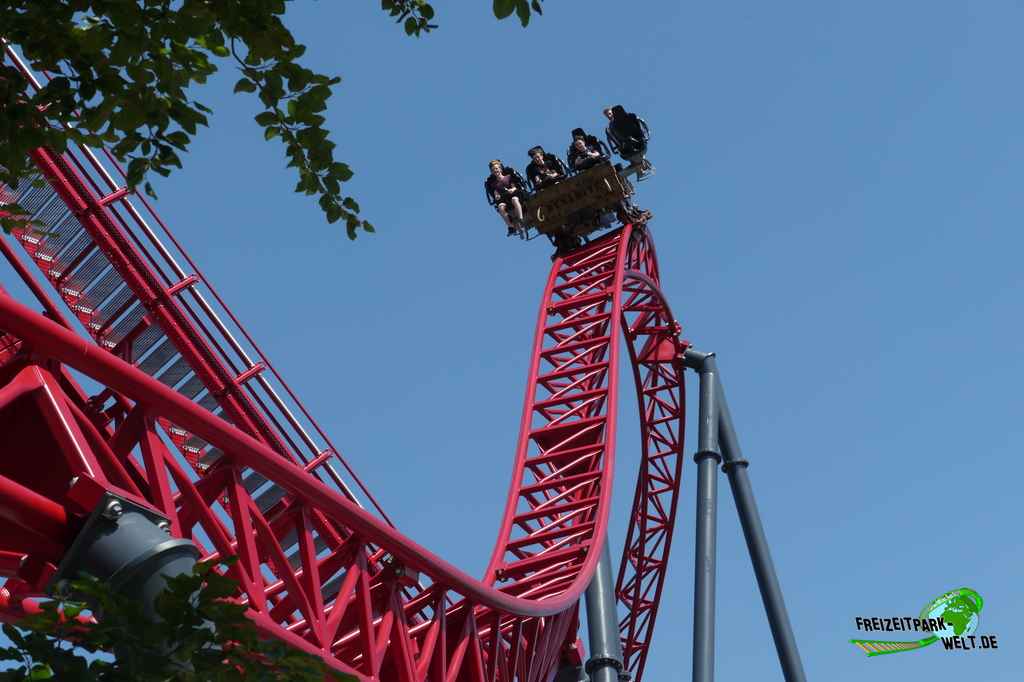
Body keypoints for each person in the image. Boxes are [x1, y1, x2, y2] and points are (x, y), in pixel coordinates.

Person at [603, 105, 651, 171]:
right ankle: (637, 163)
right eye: (607, 116)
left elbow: (639, 123)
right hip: (626, 146)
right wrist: (616, 149)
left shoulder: (628, 118)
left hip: (637, 141)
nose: (609, 116)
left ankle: (640, 162)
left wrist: (645, 135)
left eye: (610, 113)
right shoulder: (609, 128)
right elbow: (612, 140)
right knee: (626, 144)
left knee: (630, 141)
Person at [484, 159, 526, 235]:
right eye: (493, 170)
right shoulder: (494, 184)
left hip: (514, 195)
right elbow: (496, 193)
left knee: (514, 199)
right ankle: (510, 226)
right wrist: (497, 196)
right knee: (500, 206)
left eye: (496, 168)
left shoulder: (508, 177)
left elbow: (514, 186)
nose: (495, 170)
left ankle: (521, 219)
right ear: (492, 172)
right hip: (504, 199)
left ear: (500, 169)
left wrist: (512, 189)